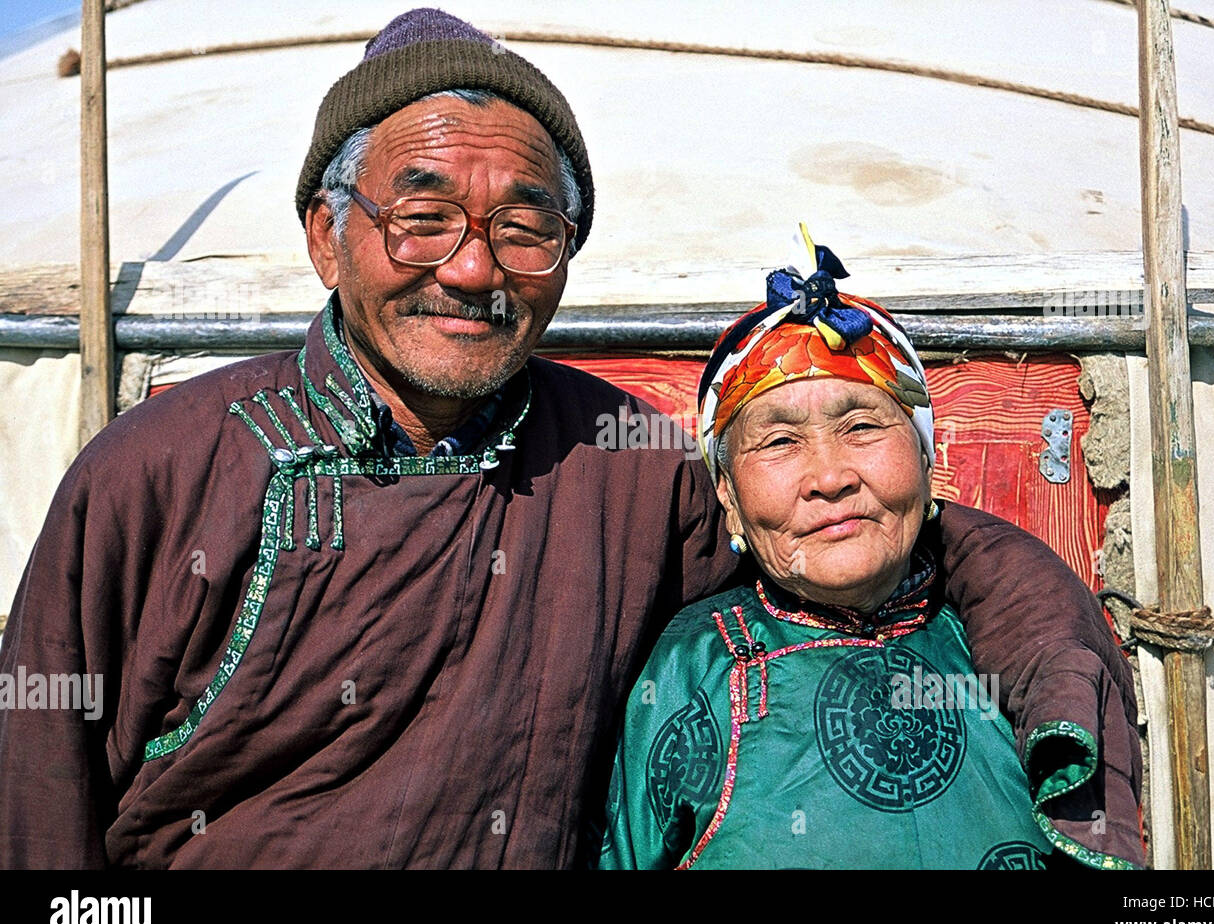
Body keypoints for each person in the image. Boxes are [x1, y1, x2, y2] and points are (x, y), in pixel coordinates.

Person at [0, 9, 1138, 869]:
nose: (471, 268)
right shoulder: (163, 468)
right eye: (422, 216)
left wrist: (1055, 692)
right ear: (325, 235)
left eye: (524, 225)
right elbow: (38, 799)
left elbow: (855, 534)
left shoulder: (621, 462)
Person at [597, 228, 1143, 869]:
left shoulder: (1015, 644)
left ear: (925, 454)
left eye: (862, 427)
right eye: (779, 443)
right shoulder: (693, 666)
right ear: (728, 492)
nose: (830, 477)